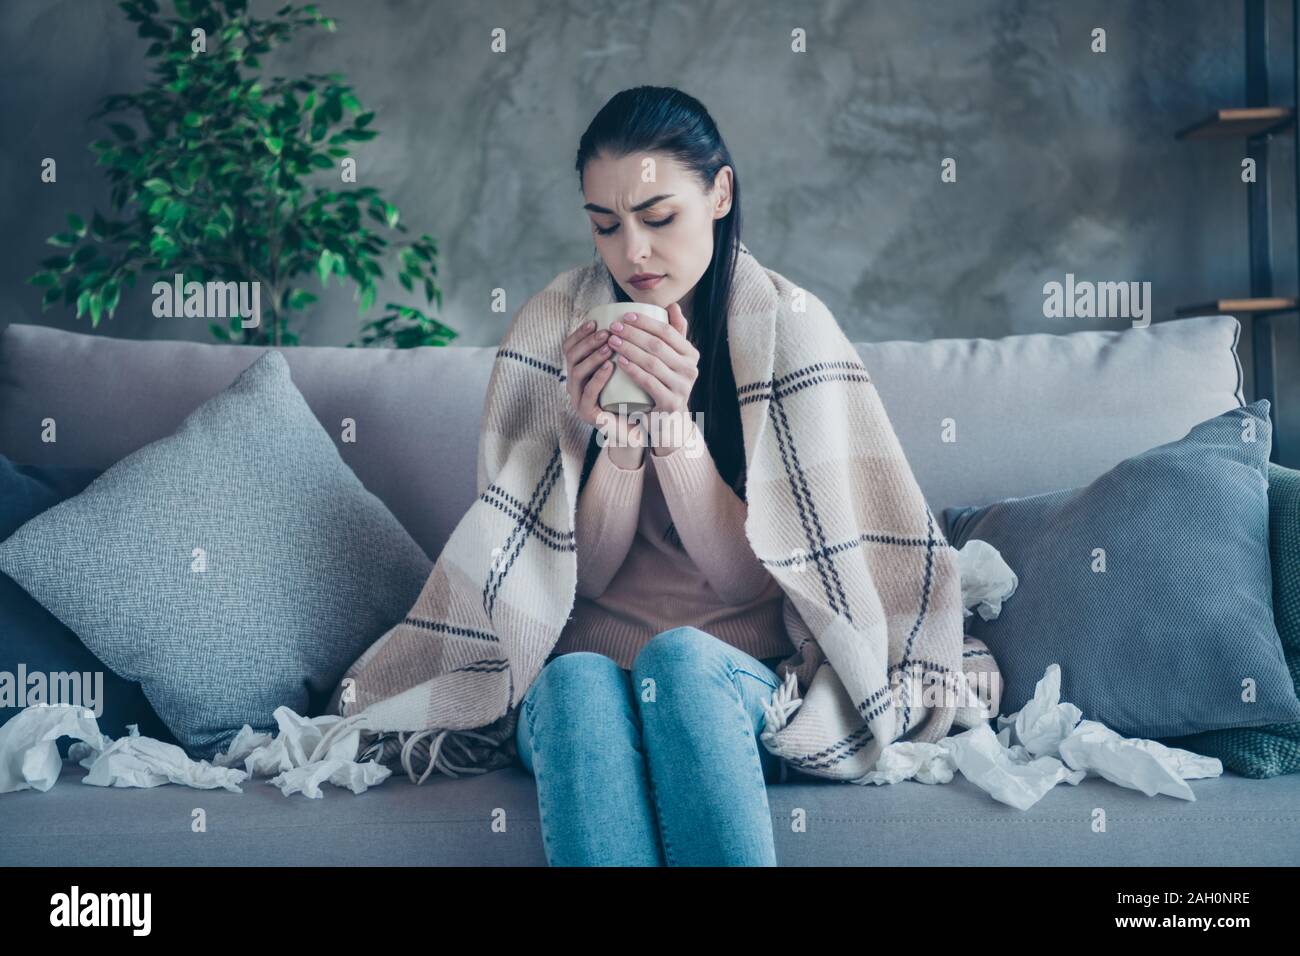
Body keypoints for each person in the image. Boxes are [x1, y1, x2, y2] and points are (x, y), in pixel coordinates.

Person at [513, 86, 800, 867]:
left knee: (679, 659)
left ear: (719, 193)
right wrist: (616, 439)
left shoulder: (787, 337)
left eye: (657, 218)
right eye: (605, 226)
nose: (631, 251)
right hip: (589, 673)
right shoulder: (554, 333)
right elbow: (581, 584)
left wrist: (674, 430)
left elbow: (747, 586)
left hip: (726, 675)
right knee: (575, 680)